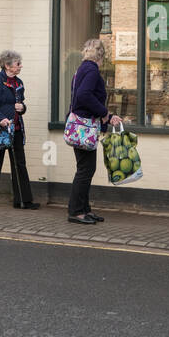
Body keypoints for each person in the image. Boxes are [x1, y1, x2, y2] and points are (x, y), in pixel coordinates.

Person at [67, 38, 121, 225]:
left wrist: (104, 114)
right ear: (101, 55)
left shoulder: (82, 68)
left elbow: (79, 96)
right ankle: (75, 211)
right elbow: (83, 95)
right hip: (85, 127)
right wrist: (105, 113)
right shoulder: (91, 70)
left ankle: (84, 209)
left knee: (86, 168)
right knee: (85, 169)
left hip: (81, 125)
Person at [0, 49, 38, 209]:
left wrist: (22, 108)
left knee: (19, 164)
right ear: (7, 65)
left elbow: (20, 105)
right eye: (18, 64)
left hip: (15, 128)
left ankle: (23, 201)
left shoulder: (19, 83)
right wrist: (0, 119)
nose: (20, 66)